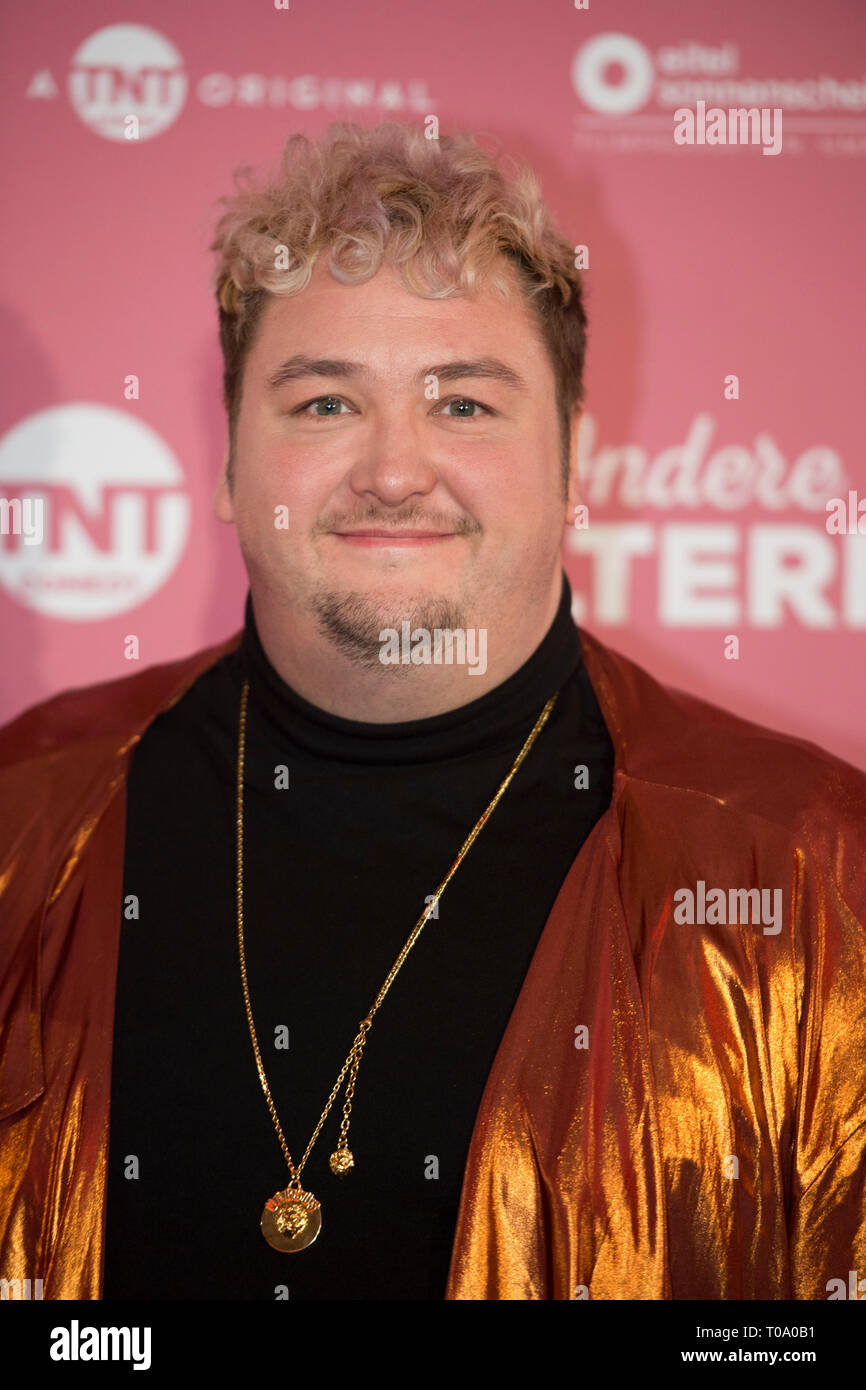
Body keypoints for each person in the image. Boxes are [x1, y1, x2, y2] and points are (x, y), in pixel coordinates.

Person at [0, 121, 864, 1302]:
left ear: (575, 465)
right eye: (321, 405)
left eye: (461, 404)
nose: (394, 468)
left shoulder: (812, 865)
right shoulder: (27, 810)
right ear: (224, 460)